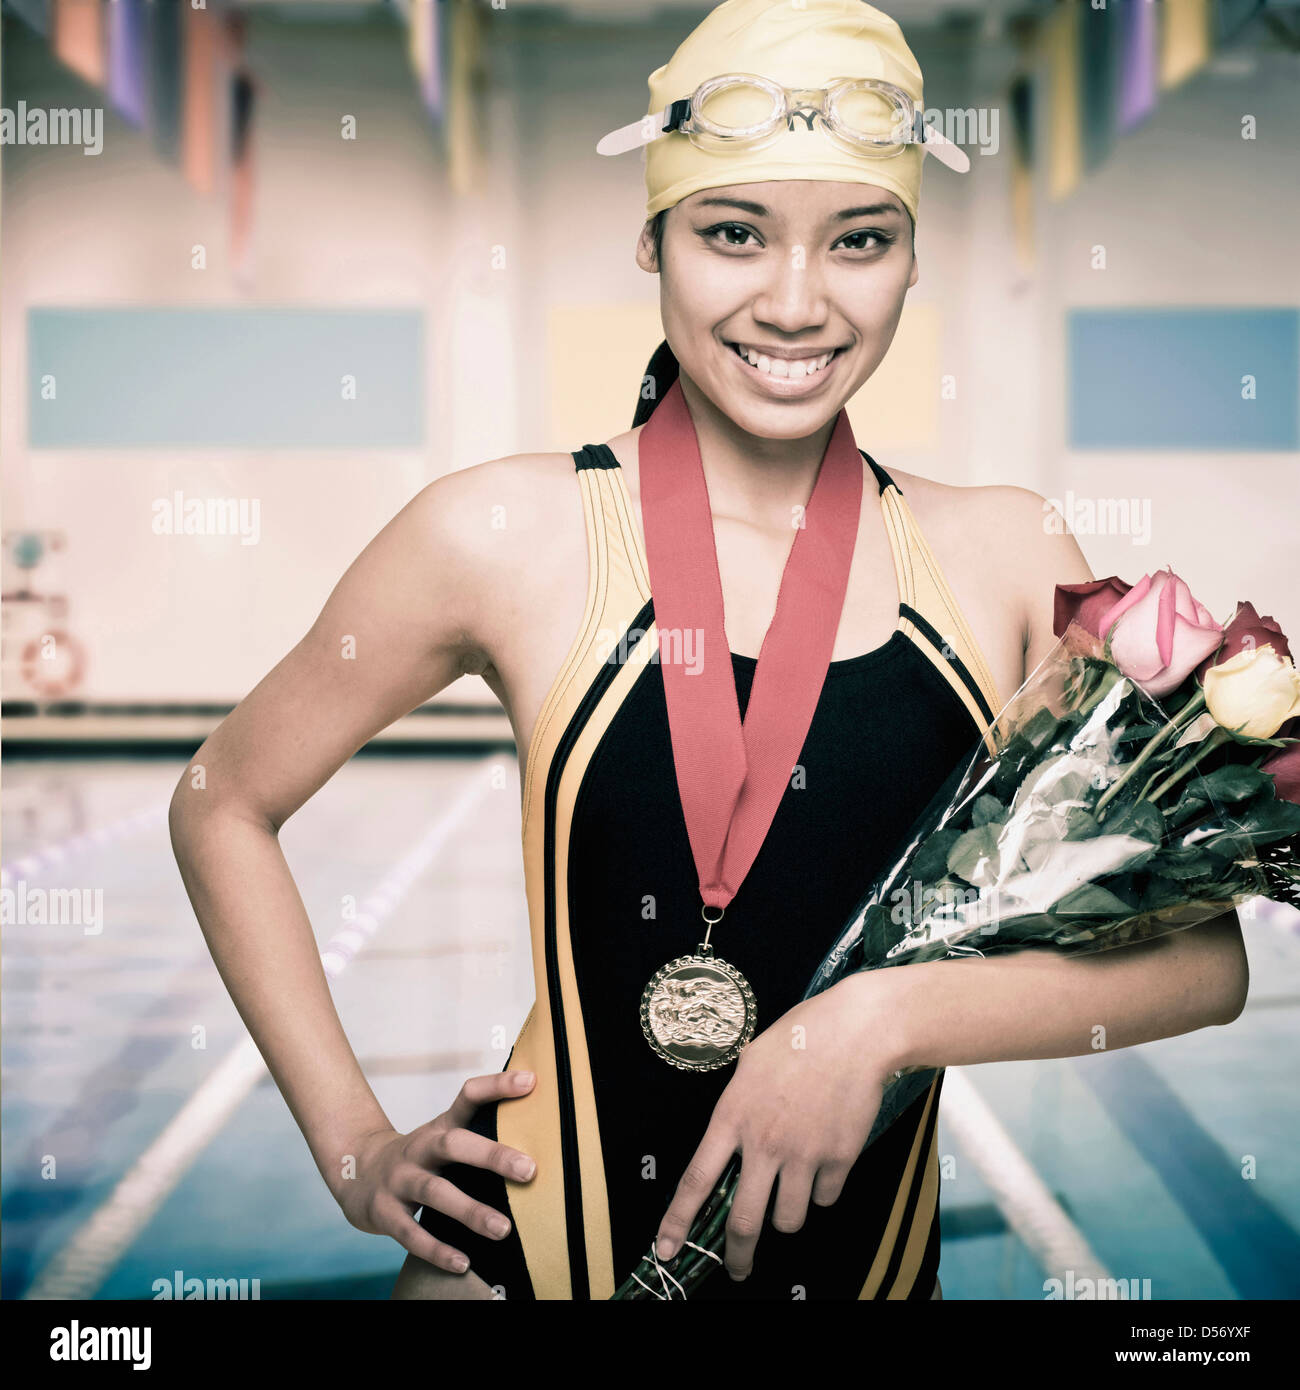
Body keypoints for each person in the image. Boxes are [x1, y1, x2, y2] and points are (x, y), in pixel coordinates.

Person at [170, 0, 1248, 1303]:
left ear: (912, 261)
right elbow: (222, 799)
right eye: (733, 233)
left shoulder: (1005, 555)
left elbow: (1203, 958)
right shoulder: (507, 530)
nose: (795, 303)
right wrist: (351, 1146)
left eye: (860, 240)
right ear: (654, 239)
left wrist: (880, 1020)